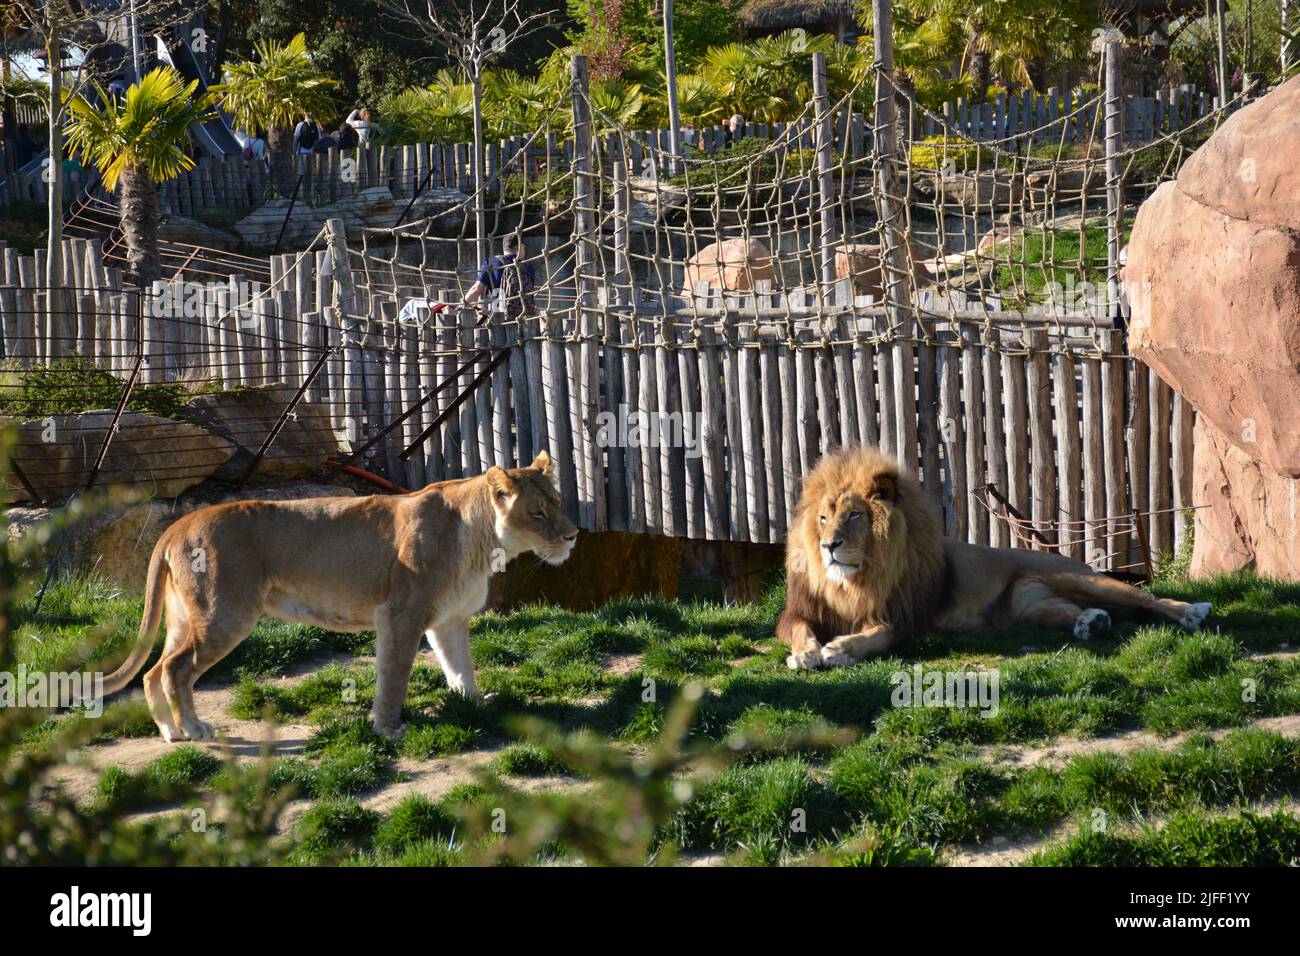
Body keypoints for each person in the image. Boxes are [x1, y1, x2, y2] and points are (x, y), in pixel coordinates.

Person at [464, 234, 535, 318]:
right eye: (524, 248)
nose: (525, 251)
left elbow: (476, 289)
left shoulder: (491, 263)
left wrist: (461, 305)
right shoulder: (528, 267)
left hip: (499, 317)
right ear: (518, 248)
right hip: (525, 317)